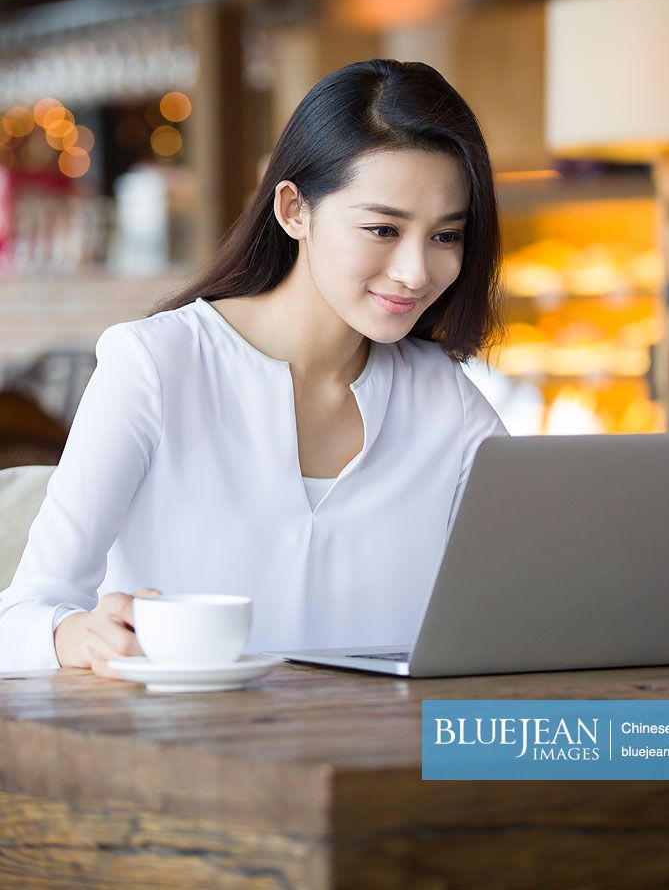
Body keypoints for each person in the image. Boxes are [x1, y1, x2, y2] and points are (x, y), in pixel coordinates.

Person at [0, 59, 507, 676]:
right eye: (382, 228)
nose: (416, 272)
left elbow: (532, 598)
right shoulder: (157, 365)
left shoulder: (446, 400)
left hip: (386, 759)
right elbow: (24, 614)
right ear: (293, 210)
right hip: (190, 753)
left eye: (446, 236)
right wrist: (76, 636)